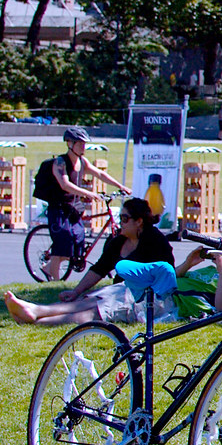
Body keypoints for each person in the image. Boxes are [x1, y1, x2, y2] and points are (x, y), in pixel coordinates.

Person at [4, 198, 193, 325]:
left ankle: (36, 315)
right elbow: (100, 268)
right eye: (121, 218)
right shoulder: (118, 241)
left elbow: (167, 276)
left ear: (139, 221)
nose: (121, 223)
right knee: (86, 300)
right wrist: (76, 290)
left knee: (93, 310)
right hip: (119, 291)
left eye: (125, 219)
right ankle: (35, 311)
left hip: (142, 298)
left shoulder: (155, 241)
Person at [43, 126, 132, 281]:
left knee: (78, 242)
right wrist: (89, 193)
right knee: (63, 242)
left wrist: (120, 186)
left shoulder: (82, 162)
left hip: (72, 208)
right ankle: (55, 282)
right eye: (80, 143)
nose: (83, 147)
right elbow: (65, 184)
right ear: (69, 143)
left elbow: (99, 173)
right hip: (58, 208)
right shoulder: (60, 162)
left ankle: (48, 267)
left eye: (84, 143)